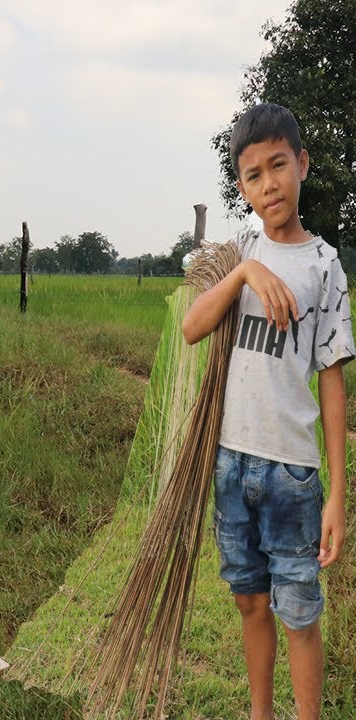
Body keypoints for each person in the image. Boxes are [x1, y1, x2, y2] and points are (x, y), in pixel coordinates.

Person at [181, 103, 350, 720]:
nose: (269, 184)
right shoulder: (240, 250)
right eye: (253, 175)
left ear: (303, 165)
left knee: (300, 613)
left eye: (279, 165)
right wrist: (246, 273)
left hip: (292, 472)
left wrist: (337, 493)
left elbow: (332, 383)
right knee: (250, 603)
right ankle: (260, 714)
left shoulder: (324, 266)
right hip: (230, 462)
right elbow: (193, 328)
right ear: (242, 187)